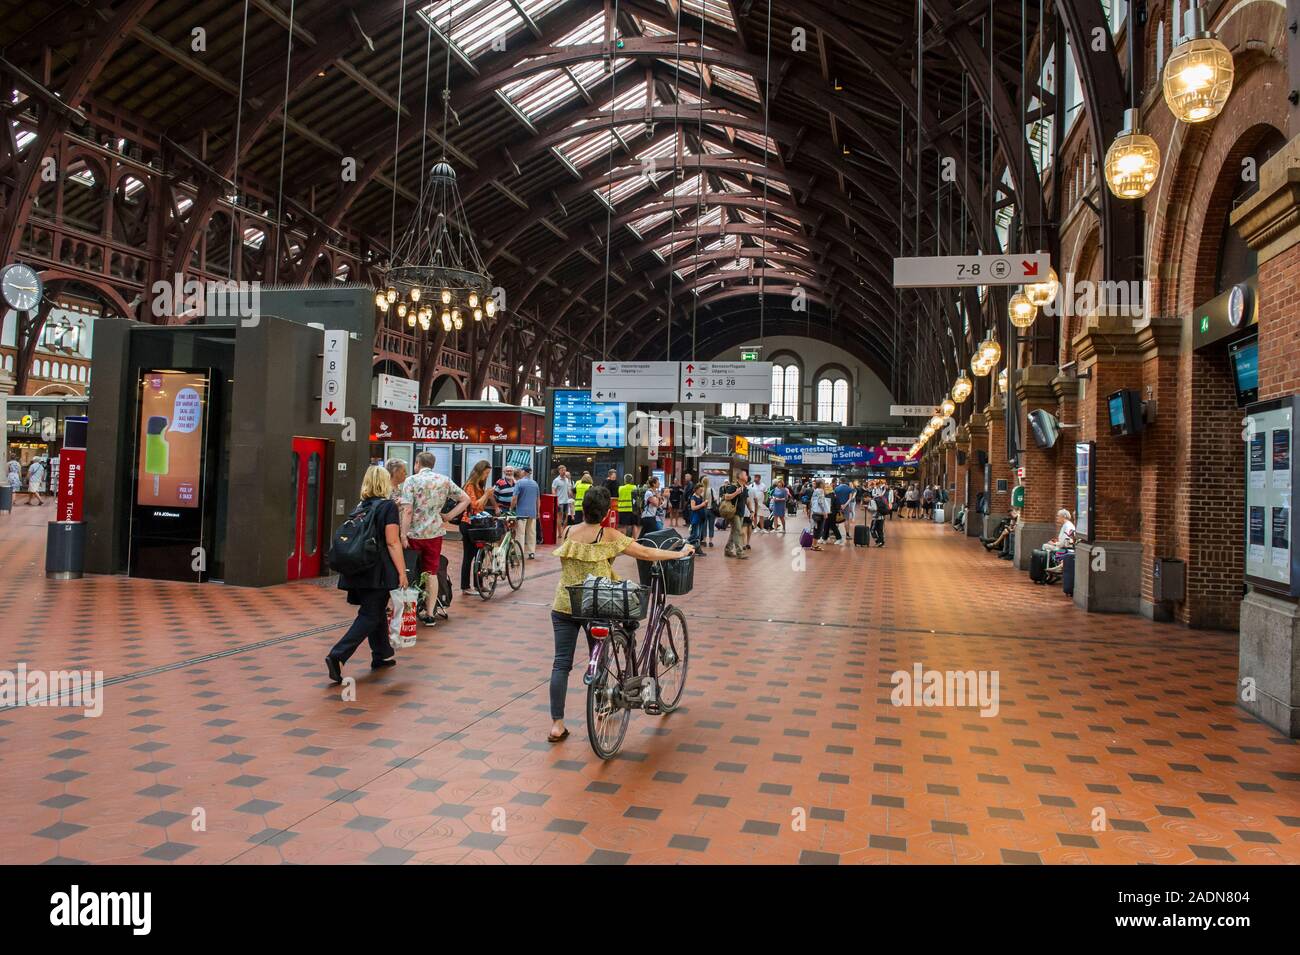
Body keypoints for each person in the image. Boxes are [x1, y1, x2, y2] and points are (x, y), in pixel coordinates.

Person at [547, 486, 694, 742]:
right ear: (606, 513)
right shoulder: (608, 534)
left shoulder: (568, 531)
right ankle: (603, 703)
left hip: (565, 604)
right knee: (603, 654)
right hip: (597, 603)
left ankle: (557, 725)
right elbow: (646, 553)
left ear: (583, 508)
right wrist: (679, 552)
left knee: (561, 665)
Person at [326, 466, 407, 684]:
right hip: (377, 571)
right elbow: (392, 541)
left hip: (356, 569)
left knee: (375, 611)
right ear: (385, 483)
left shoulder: (361, 506)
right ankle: (338, 655)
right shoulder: (388, 506)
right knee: (370, 615)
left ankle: (382, 654)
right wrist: (402, 572)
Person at [399, 451, 469, 624]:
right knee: (431, 572)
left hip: (414, 533)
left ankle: (409, 611)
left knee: (411, 572)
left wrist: (402, 533)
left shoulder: (411, 481)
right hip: (435, 533)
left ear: (417, 463)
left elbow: (407, 510)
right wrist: (447, 516)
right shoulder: (443, 480)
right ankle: (430, 614)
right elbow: (465, 499)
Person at [457, 459, 492, 596]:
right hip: (468, 524)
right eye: (486, 473)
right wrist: (486, 495)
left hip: (478, 524)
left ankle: (479, 584)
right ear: (480, 472)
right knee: (469, 555)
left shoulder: (479, 486)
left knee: (480, 554)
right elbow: (474, 505)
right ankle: (465, 586)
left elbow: (481, 507)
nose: (487, 476)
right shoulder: (470, 486)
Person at [719, 469, 749, 558]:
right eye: (745, 475)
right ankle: (739, 552)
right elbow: (726, 497)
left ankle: (728, 550)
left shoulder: (745, 488)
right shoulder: (733, 486)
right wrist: (736, 493)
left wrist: (751, 511)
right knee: (738, 531)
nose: (747, 476)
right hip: (733, 512)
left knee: (734, 532)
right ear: (740, 476)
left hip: (741, 513)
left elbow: (747, 500)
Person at [513, 465, 540, 558]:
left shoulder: (519, 483)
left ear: (524, 472)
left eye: (521, 471)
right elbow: (538, 499)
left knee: (520, 533)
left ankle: (519, 552)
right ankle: (531, 552)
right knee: (532, 532)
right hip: (532, 512)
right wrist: (538, 512)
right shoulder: (535, 484)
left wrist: (511, 507)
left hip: (521, 512)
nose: (520, 473)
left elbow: (514, 498)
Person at [385, 458, 411, 546]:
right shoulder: (386, 490)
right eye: (403, 471)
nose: (406, 474)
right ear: (395, 472)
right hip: (390, 531)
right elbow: (382, 510)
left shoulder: (399, 488)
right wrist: (396, 504)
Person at [687, 475, 710, 555]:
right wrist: (702, 504)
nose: (701, 491)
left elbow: (702, 506)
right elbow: (693, 508)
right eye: (700, 490)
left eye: (702, 490)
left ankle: (697, 549)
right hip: (695, 518)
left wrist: (705, 504)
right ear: (696, 489)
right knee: (695, 535)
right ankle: (686, 544)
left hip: (700, 517)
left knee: (698, 535)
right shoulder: (693, 497)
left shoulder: (700, 496)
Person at [809, 481, 829, 551]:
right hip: (819, 513)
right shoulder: (820, 491)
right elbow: (821, 502)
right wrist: (824, 512)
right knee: (819, 529)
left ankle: (814, 544)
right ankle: (814, 545)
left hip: (815, 512)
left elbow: (812, 501)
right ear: (821, 484)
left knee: (816, 528)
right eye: (823, 483)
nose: (825, 484)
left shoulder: (815, 491)